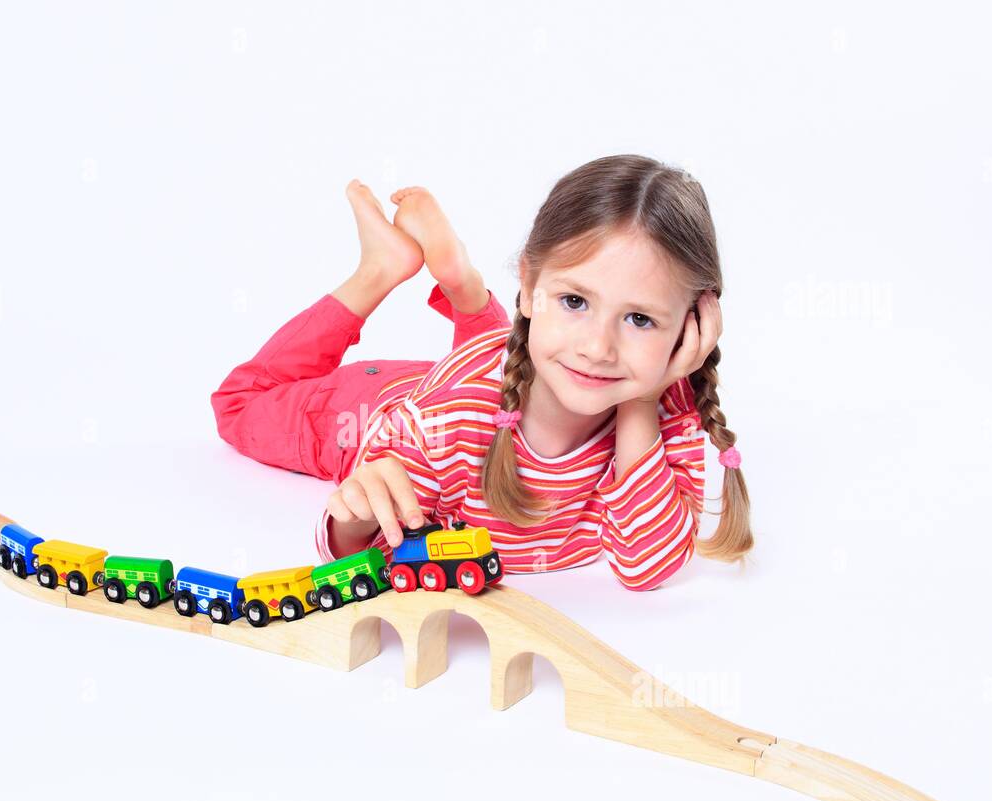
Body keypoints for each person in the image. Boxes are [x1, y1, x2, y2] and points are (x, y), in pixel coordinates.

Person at [210, 155, 751, 591]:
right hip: (373, 402)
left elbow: (648, 565)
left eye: (639, 319)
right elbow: (377, 560)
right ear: (529, 285)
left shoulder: (662, 396)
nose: (598, 348)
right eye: (574, 300)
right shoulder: (438, 427)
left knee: (524, 360)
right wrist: (351, 521)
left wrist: (643, 401)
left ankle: (464, 288)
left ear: (692, 327)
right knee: (241, 403)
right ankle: (381, 269)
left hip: (502, 372)